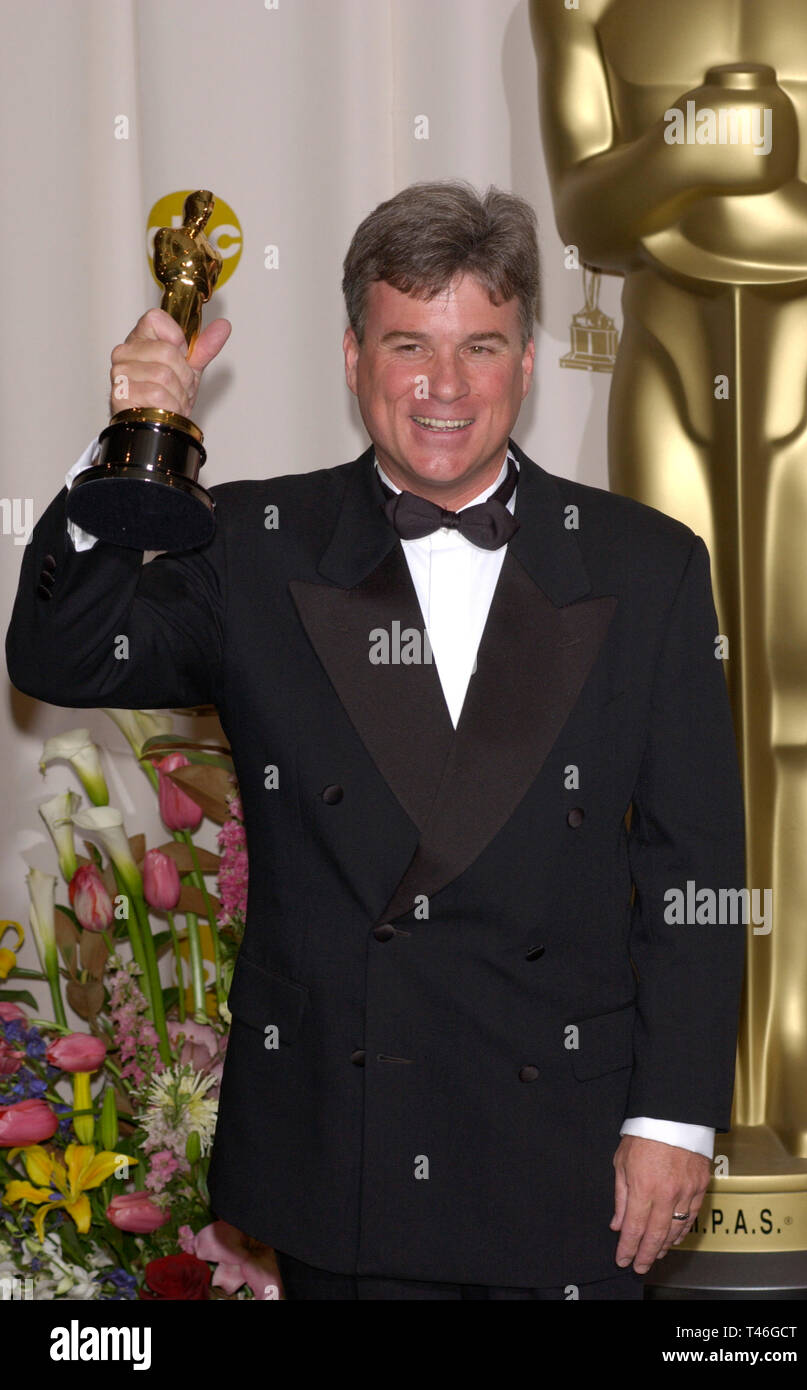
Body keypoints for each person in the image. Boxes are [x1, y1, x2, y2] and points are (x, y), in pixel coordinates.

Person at [5, 180, 746, 1300]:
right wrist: (135, 443)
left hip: (571, 1159)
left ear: (529, 361)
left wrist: (675, 1118)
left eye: (480, 347)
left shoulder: (647, 565)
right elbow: (64, 657)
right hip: (346, 1157)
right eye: (409, 344)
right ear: (352, 358)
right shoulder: (254, 543)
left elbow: (696, 871)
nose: (444, 388)